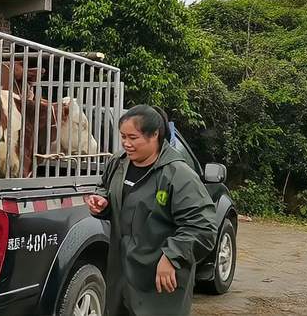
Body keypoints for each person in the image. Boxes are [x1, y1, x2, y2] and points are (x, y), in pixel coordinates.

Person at [87, 105, 216, 315]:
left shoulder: (177, 175)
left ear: (154, 134)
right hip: (121, 276)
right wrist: (102, 202)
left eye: (133, 137)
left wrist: (172, 256)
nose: (126, 144)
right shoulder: (118, 164)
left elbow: (203, 226)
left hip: (159, 281)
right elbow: (104, 187)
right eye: (123, 137)